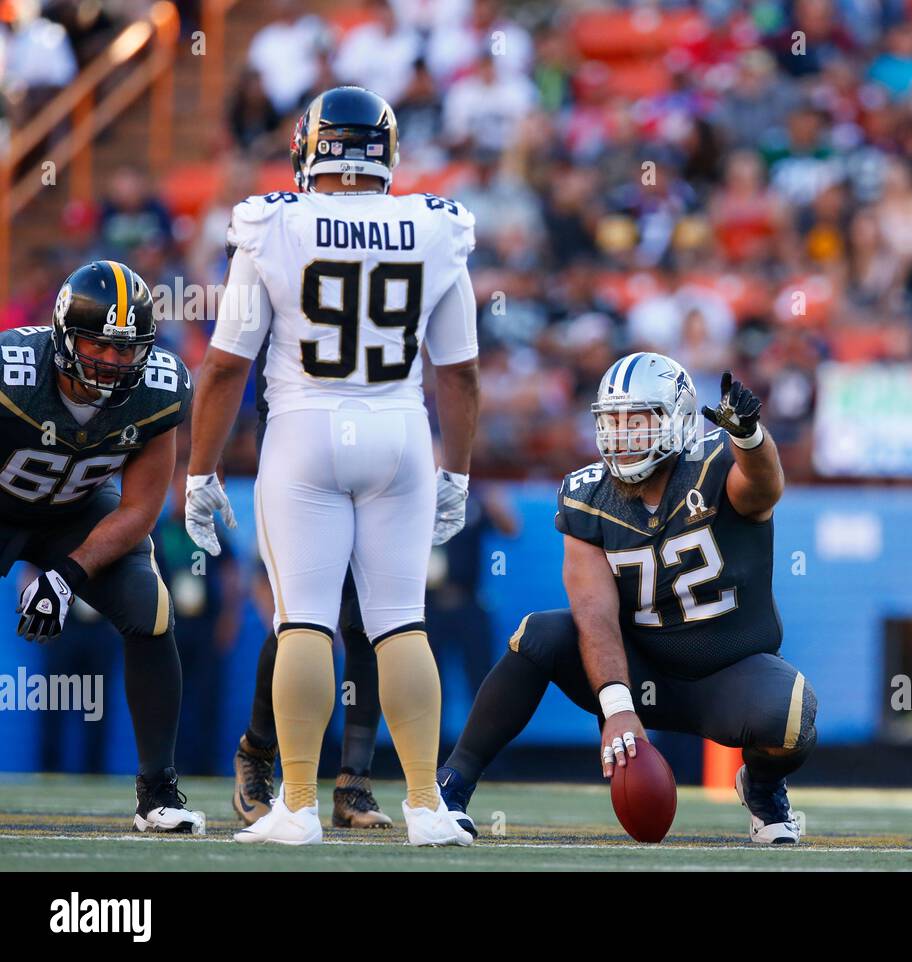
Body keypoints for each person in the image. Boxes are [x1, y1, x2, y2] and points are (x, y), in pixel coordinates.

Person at [185, 86, 480, 847]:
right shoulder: (432, 226)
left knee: (306, 622)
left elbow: (224, 367)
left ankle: (298, 806)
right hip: (400, 430)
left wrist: (200, 471)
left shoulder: (272, 222)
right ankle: (425, 806)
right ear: (388, 152)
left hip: (306, 428)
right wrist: (460, 473)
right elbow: (461, 373)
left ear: (307, 146)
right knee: (401, 624)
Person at [437, 355, 818, 844]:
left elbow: (765, 488)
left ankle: (763, 788)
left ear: (676, 421)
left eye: (637, 423)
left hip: (727, 672)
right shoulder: (587, 495)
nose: (622, 436)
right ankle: (453, 784)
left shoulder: (717, 465)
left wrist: (749, 438)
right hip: (635, 668)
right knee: (538, 635)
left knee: (789, 712)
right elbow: (592, 610)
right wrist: (616, 704)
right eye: (612, 423)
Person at [0, 260, 203, 832]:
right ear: (66, 335)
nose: (113, 362)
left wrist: (67, 574)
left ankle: (158, 792)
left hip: (77, 513)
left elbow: (139, 509)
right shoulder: (11, 370)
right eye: (98, 345)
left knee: (151, 609)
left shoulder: (159, 391)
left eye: (126, 349)